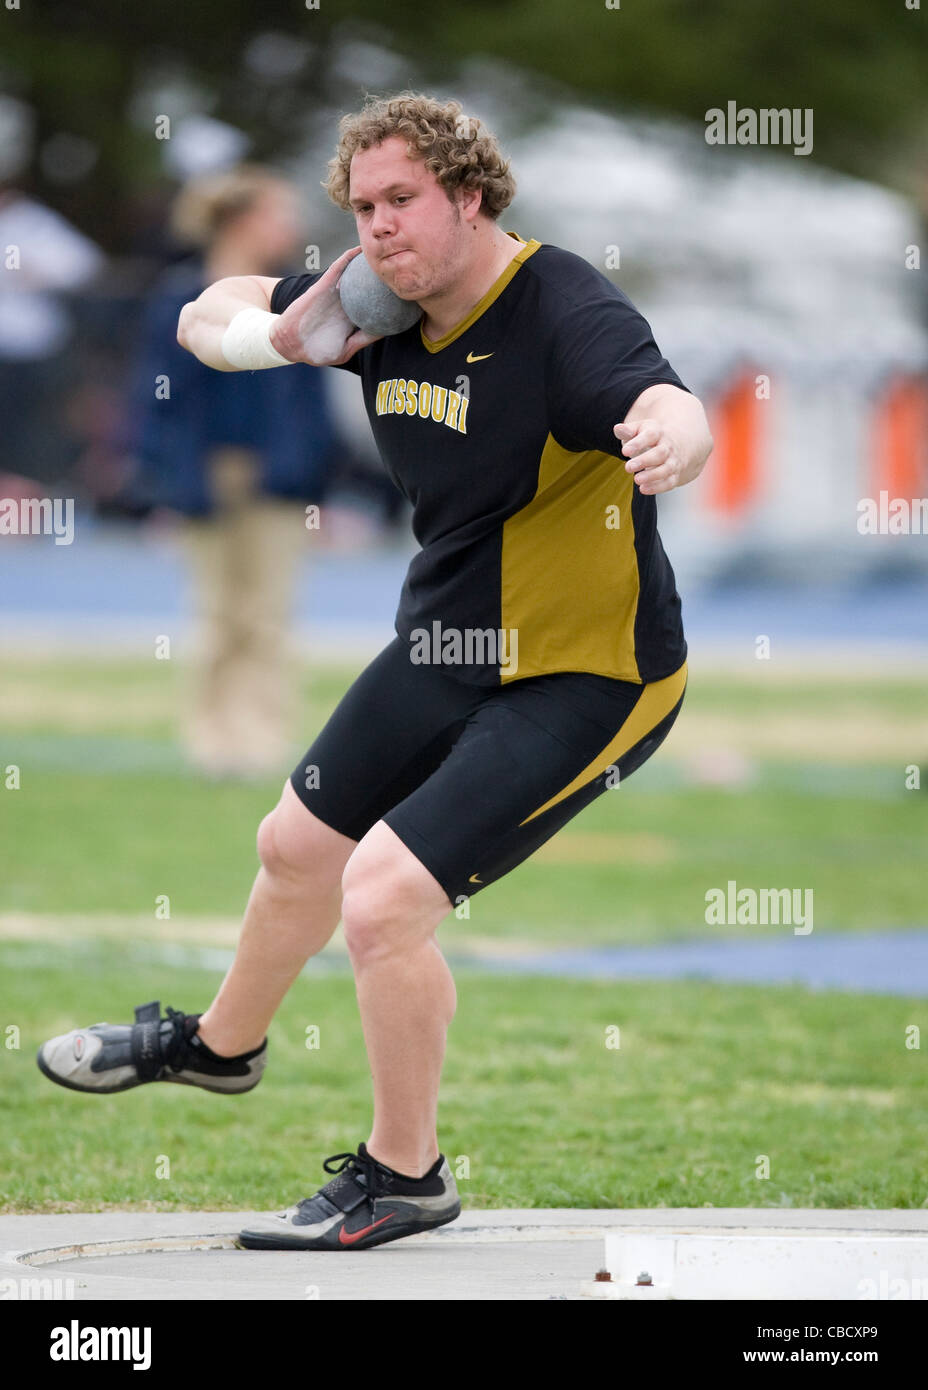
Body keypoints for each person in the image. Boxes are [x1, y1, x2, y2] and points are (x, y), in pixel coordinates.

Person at [37, 93, 713, 1251]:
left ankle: (407, 1174)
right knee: (291, 848)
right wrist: (282, 330)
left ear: (471, 195)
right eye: (361, 206)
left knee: (386, 898)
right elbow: (210, 314)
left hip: (586, 671)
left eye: (402, 200)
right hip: (448, 641)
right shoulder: (375, 301)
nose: (380, 225)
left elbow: (660, 396)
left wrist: (673, 436)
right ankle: (223, 1044)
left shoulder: (563, 306)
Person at [129, 165, 342, 777]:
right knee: (218, 613)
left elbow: (309, 400)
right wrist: (172, 479)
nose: (291, 226)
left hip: (278, 475)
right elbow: (159, 397)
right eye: (279, 213)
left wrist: (312, 476)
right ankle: (212, 744)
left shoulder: (295, 295)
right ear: (241, 220)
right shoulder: (180, 296)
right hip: (208, 472)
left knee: (269, 615)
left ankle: (265, 743)